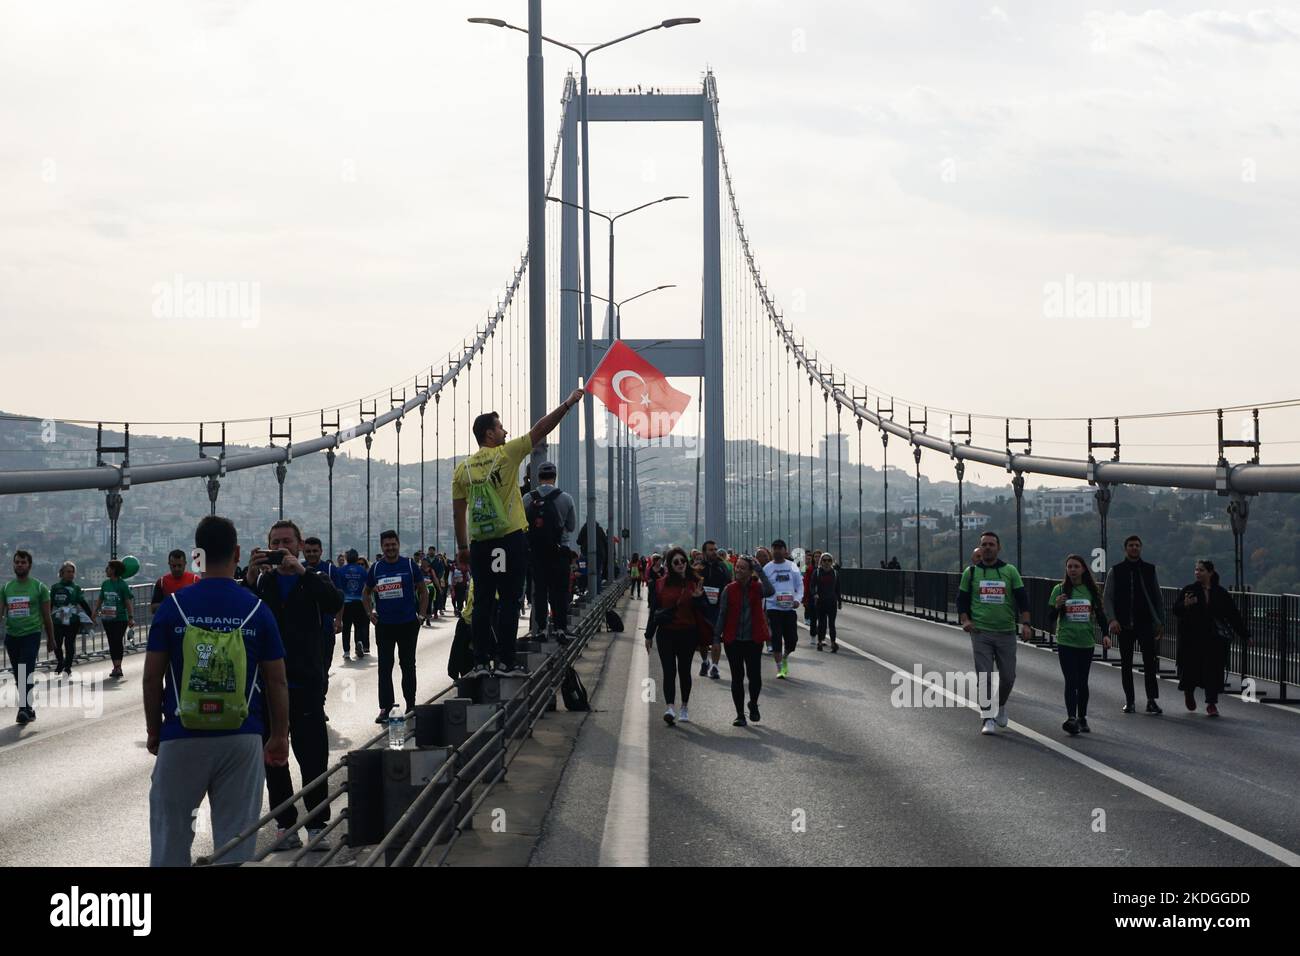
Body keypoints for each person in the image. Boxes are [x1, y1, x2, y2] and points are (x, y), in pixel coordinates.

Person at [144, 515, 289, 867]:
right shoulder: (257, 608)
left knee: (171, 836)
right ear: (237, 552)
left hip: (182, 734)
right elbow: (276, 681)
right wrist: (280, 735)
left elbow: (151, 678)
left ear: (197, 557)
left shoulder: (173, 607)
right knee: (235, 841)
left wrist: (154, 730)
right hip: (242, 736)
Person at [452, 389, 584, 679]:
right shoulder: (506, 454)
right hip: (508, 540)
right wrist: (567, 404)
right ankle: (506, 662)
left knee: (484, 600)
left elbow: (458, 509)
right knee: (510, 599)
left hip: (480, 543)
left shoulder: (463, 469)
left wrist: (462, 546)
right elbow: (540, 429)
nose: (505, 431)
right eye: (500, 427)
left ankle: (479, 663)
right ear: (489, 434)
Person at [243, 521, 341, 850]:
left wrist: (301, 571)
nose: (281, 547)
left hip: (306, 682)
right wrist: (249, 579)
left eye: (287, 542)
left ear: (299, 545)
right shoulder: (262, 583)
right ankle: (285, 824)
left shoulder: (313, 579)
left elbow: (333, 602)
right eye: (275, 543)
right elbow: (240, 618)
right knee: (274, 757)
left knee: (312, 755)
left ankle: (317, 824)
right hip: (267, 686)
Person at [957, 531, 1032, 735]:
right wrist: (965, 620)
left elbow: (1022, 598)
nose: (987, 547)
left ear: (998, 548)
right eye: (984, 544)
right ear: (980, 548)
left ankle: (1000, 705)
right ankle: (987, 717)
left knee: (1008, 677)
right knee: (985, 676)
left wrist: (1026, 624)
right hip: (981, 632)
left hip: (1006, 632)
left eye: (991, 544)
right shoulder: (971, 573)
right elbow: (961, 600)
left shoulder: (1010, 571)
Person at [363, 530, 427, 722]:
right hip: (385, 626)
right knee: (384, 667)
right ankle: (386, 708)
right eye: (387, 545)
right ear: (382, 547)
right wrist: (369, 613)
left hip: (408, 624)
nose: (390, 548)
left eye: (393, 544)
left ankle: (411, 705)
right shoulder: (375, 568)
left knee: (408, 666)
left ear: (398, 545)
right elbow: (365, 594)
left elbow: (423, 591)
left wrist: (422, 616)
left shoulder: (409, 565)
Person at [1172, 560, 1248, 718]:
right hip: (1192, 638)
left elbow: (1233, 615)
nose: (1197, 573)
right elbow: (1175, 610)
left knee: (1213, 670)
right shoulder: (1190, 590)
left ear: (1210, 573)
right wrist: (1185, 604)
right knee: (1191, 668)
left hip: (1214, 639)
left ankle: (1211, 703)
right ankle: (1189, 692)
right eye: (1196, 570)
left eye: (1201, 570)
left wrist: (1245, 634)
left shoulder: (1220, 593)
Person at [1047, 555, 1111, 735]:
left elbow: (1100, 615)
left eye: (1076, 566)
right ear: (1066, 570)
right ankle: (1071, 718)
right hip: (1066, 641)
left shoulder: (1090, 590)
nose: (1072, 570)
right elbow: (1050, 619)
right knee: (1071, 680)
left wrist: (1106, 635)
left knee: (1082, 682)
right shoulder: (1059, 590)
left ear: (1083, 569)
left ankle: (1082, 717)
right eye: (1069, 567)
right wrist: (1058, 606)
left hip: (1086, 642)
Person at [1103, 535, 1167, 715]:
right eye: (1131, 545)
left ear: (1141, 548)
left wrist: (1160, 622)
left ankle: (1151, 700)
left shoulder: (1149, 570)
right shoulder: (1115, 571)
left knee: (1150, 662)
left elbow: (1157, 597)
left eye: (1137, 545)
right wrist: (1112, 619)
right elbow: (1107, 598)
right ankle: (1129, 701)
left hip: (1145, 623)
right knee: (1126, 664)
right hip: (1123, 625)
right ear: (1125, 548)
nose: (1134, 548)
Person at [645, 547, 708, 725]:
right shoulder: (659, 584)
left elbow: (704, 609)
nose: (680, 564)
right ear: (670, 565)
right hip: (666, 633)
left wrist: (697, 598)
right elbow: (654, 612)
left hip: (688, 632)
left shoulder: (695, 582)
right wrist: (648, 635)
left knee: (684, 671)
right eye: (676, 562)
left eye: (683, 561)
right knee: (669, 671)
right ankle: (670, 707)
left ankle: (684, 707)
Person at [715, 555, 774, 726]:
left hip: (753, 639)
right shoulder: (729, 589)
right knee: (737, 677)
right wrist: (716, 638)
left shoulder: (757, 588)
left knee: (754, 676)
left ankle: (753, 703)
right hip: (733, 640)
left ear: (750, 571)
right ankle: (740, 714)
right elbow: (722, 614)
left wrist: (760, 570)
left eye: (742, 568)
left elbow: (771, 591)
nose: (738, 570)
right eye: (737, 567)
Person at [525, 461, 578, 640]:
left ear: (538, 477)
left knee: (539, 591)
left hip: (537, 553)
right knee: (560, 591)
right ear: (555, 477)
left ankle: (540, 629)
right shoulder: (566, 498)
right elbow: (571, 527)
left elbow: (522, 526)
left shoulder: (527, 499)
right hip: (559, 551)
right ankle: (560, 628)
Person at [4, 550, 54, 723]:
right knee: (19, 673)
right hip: (12, 636)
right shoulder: (6, 588)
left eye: (23, 562)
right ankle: (29, 707)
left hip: (31, 634)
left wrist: (51, 639)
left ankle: (23, 708)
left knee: (26, 669)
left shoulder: (39, 588)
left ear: (29, 565)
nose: (19, 565)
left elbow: (47, 616)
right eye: (17, 562)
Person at [760, 539, 804, 679]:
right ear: (771, 551)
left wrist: (797, 600)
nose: (777, 551)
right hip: (773, 608)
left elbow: (800, 586)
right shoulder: (767, 568)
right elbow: (762, 588)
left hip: (789, 609)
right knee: (776, 638)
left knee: (792, 641)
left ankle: (785, 656)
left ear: (785, 550)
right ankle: (780, 668)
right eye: (775, 548)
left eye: (780, 548)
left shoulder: (792, 566)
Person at [695, 539, 732, 679]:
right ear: (704, 552)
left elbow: (729, 585)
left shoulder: (722, 567)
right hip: (702, 608)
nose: (714, 552)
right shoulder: (697, 567)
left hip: (718, 608)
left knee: (716, 637)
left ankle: (715, 667)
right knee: (703, 640)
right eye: (710, 550)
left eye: (715, 549)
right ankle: (705, 661)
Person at [50, 561, 93, 677]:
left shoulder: (76, 588)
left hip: (72, 620)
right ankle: (60, 661)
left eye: (72, 572)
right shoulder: (55, 588)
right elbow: (49, 604)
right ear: (62, 573)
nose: (71, 574)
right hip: (57, 620)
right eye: (68, 572)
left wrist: (90, 617)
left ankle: (68, 667)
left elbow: (83, 603)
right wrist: (47, 619)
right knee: (57, 644)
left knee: (69, 644)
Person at [94, 559, 135, 679]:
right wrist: (95, 611)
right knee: (112, 642)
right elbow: (101, 599)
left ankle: (118, 666)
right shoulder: (105, 584)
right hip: (107, 618)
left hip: (120, 618)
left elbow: (128, 602)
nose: (106, 570)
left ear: (114, 570)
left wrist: (131, 617)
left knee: (117, 641)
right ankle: (115, 666)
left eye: (108, 567)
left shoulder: (122, 585)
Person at [337, 549, 369, 660]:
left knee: (346, 627)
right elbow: (367, 588)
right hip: (359, 602)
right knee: (358, 626)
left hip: (346, 603)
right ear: (356, 558)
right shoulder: (362, 570)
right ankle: (359, 642)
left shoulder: (341, 571)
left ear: (346, 558)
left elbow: (338, 588)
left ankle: (346, 651)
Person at [149, 549, 200, 615]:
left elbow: (203, 603)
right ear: (169, 564)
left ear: (185, 564)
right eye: (174, 566)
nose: (177, 569)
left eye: (179, 565)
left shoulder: (195, 580)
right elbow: (153, 608)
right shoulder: (161, 582)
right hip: (169, 623)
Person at [808, 551, 842, 652]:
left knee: (832, 624)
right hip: (820, 602)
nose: (826, 562)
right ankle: (819, 641)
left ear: (832, 562)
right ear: (821, 562)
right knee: (822, 623)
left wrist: (839, 602)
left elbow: (838, 589)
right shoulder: (817, 572)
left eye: (829, 560)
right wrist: (815, 594)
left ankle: (833, 643)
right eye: (824, 560)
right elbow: (812, 586)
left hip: (832, 602)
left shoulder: (835, 573)